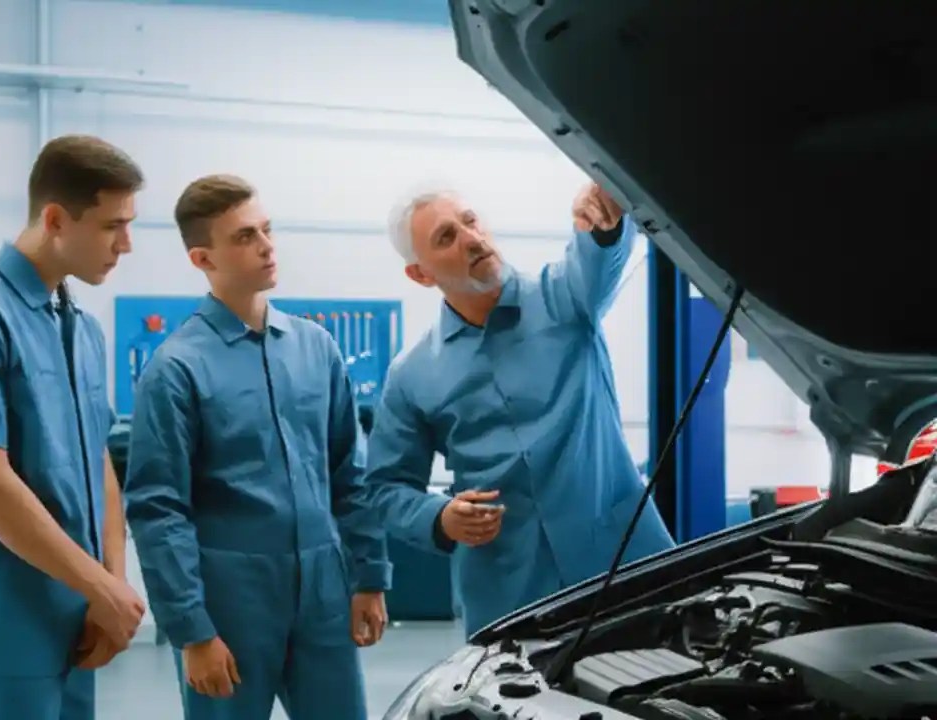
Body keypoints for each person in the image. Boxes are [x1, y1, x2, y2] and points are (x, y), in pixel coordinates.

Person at [124, 174, 390, 720]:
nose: (267, 247)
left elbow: (348, 474)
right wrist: (192, 630)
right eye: (245, 237)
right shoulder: (176, 369)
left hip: (323, 587)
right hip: (229, 597)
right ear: (204, 258)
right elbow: (158, 510)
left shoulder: (317, 348)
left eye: (267, 230)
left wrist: (370, 575)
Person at [363, 181, 676, 638]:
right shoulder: (412, 376)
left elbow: (597, 259)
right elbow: (385, 487)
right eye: (446, 237)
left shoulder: (564, 300)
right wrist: (440, 517)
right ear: (421, 274)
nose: (471, 239)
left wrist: (604, 227)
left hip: (622, 564)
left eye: (471, 221)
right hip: (508, 596)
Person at [0, 134, 148, 720]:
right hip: (4, 610)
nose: (126, 244)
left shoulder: (82, 328)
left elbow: (100, 469)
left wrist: (110, 591)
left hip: (77, 608)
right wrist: (102, 589)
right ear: (54, 219)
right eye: (111, 226)